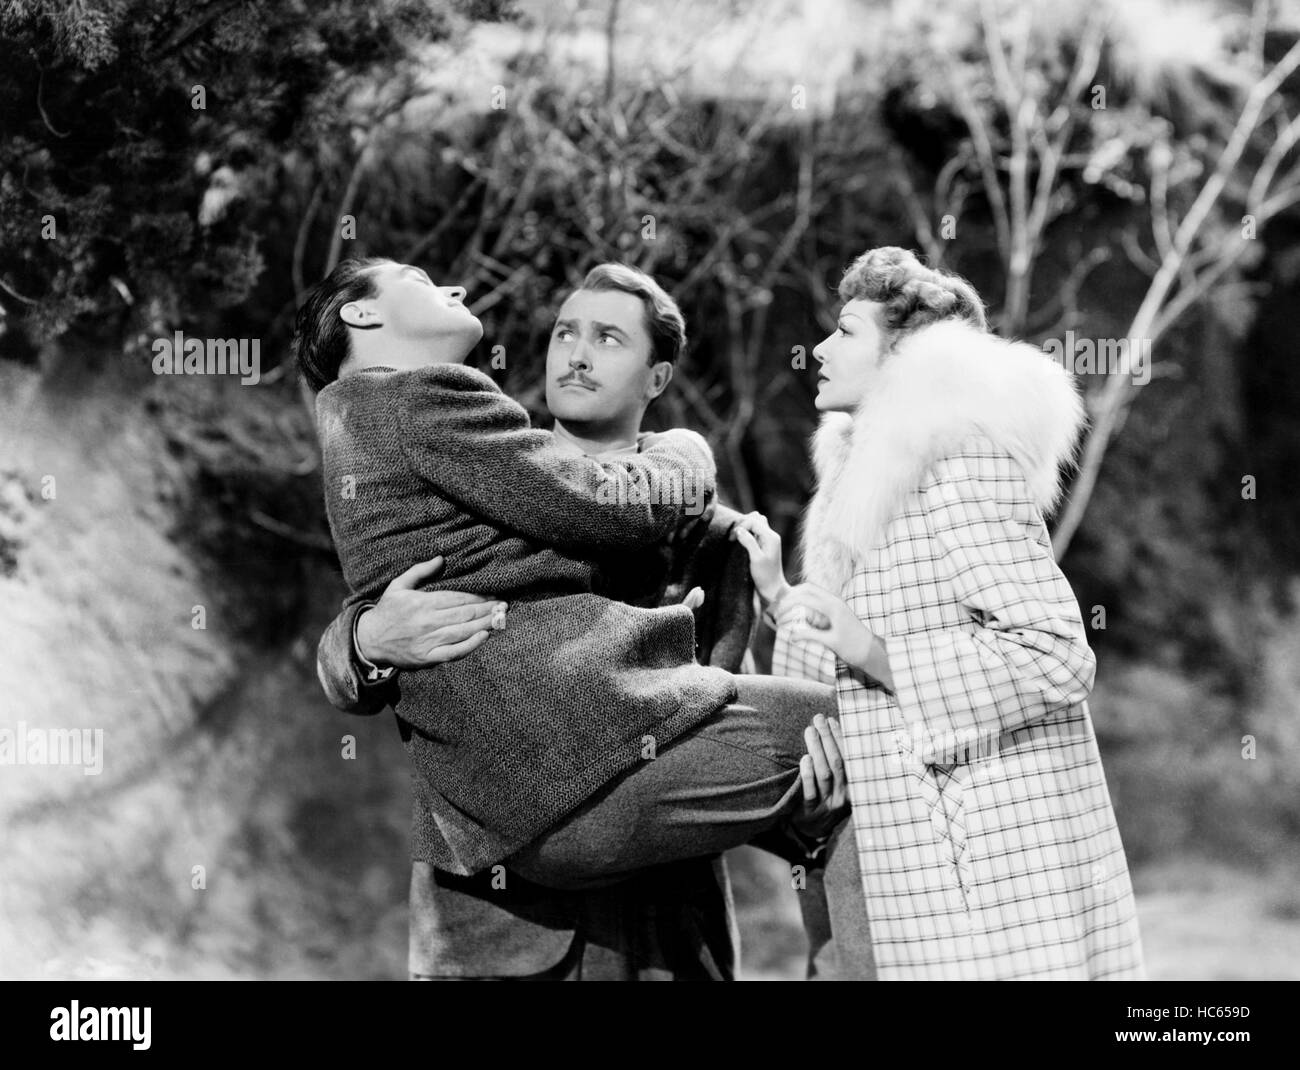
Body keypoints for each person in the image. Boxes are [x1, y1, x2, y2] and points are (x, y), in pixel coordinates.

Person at [294, 258, 854, 954]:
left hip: (663, 930)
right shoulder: (469, 452)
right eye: (565, 333)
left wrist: (809, 812)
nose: (578, 354)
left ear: (658, 378)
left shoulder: (716, 539)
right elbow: (363, 599)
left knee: (849, 745)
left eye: (609, 339)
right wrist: (366, 639)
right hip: (508, 933)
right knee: (863, 728)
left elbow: (713, 724)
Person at [740, 246, 1146, 980]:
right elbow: (839, 658)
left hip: (986, 877)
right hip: (875, 848)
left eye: (848, 332)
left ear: (907, 354)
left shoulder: (960, 462)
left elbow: (1057, 654)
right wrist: (778, 600)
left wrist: (879, 653)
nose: (822, 350)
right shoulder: (854, 481)